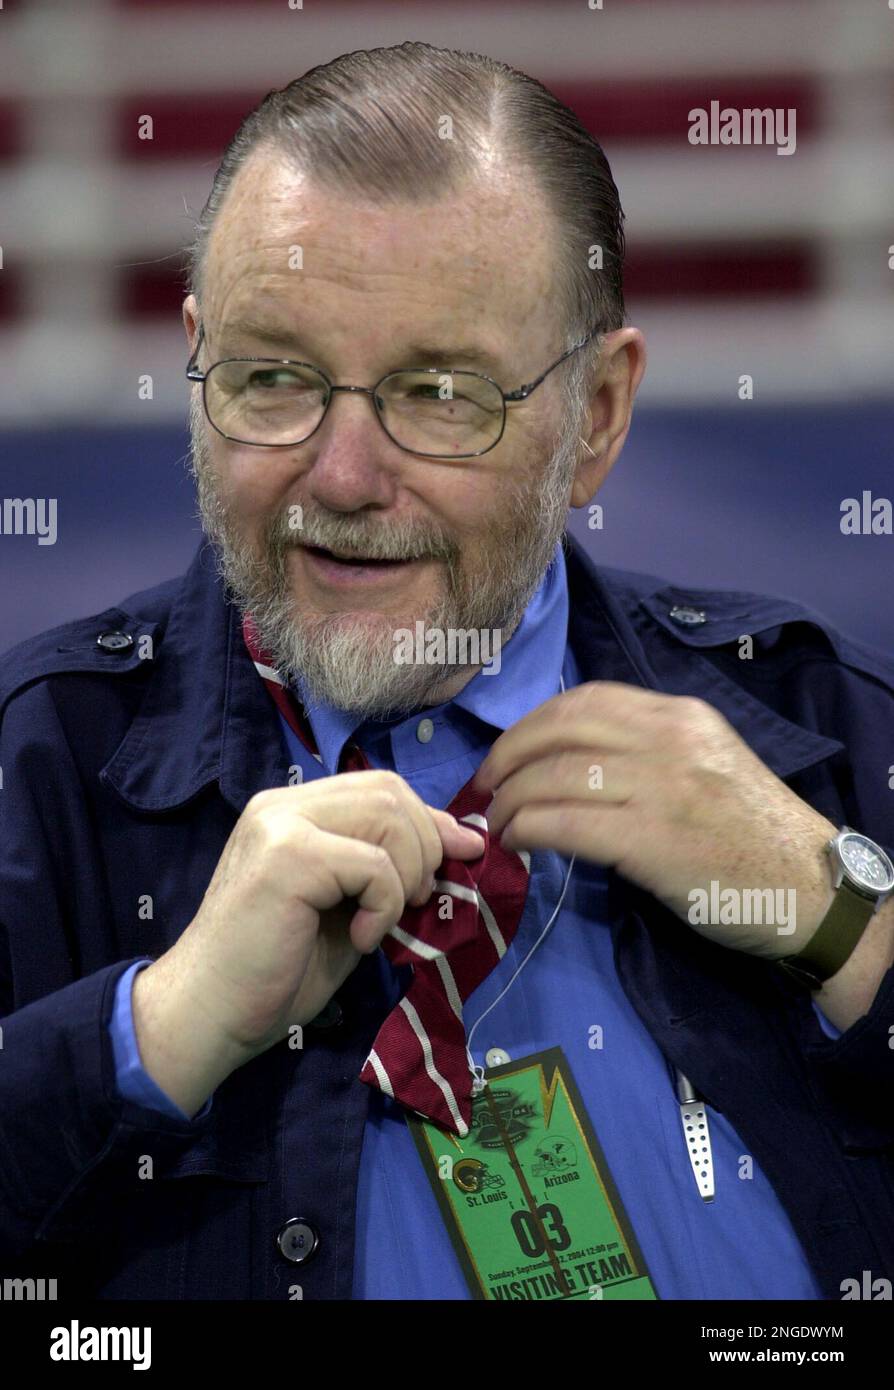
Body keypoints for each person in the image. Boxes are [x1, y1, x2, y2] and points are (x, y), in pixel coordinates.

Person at [1, 42, 892, 1303]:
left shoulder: (824, 721)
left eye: (438, 393)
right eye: (272, 379)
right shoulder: (35, 773)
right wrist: (155, 1032)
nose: (346, 477)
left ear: (594, 416)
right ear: (196, 367)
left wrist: (852, 925)